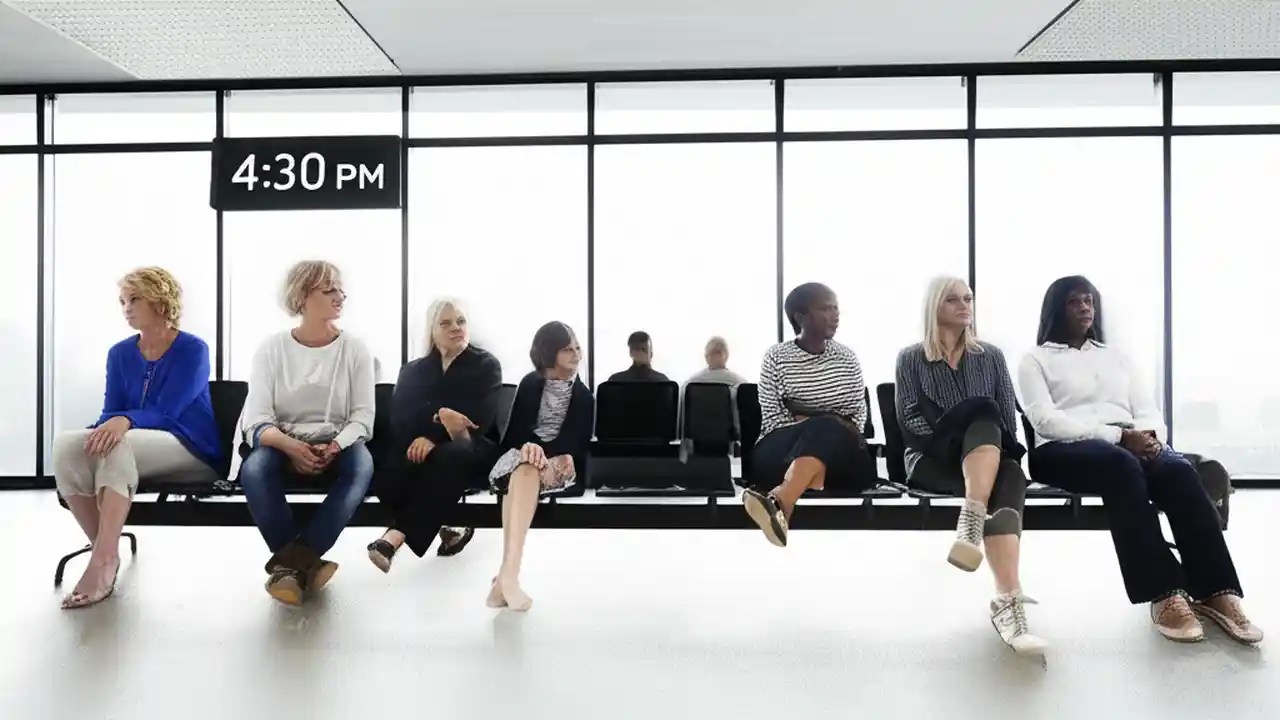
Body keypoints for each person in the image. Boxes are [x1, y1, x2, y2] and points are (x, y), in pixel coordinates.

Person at [1018, 276, 1261, 644]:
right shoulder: (1035, 359)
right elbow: (1045, 420)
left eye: (1089, 301)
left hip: (1129, 444)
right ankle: (1164, 593)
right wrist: (1118, 437)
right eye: (1074, 302)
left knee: (1178, 470)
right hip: (1061, 449)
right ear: (1056, 309)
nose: (1085, 308)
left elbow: (1147, 410)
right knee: (1120, 465)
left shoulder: (1117, 357)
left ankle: (1216, 590)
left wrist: (1149, 439)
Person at [53, 267, 222, 609]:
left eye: (134, 299)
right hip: (133, 448)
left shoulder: (193, 349)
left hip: (190, 448)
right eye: (122, 302)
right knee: (67, 445)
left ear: (160, 301)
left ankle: (101, 563)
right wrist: (97, 432)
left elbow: (170, 410)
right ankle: (106, 551)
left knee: (118, 445)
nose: (126, 308)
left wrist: (124, 421)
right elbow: (111, 409)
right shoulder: (119, 353)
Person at [894, 275, 1045, 655]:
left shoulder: (990, 356)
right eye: (953, 300)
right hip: (933, 458)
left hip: (989, 458)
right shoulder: (911, 358)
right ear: (935, 307)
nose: (964, 305)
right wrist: (958, 434)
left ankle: (1007, 601)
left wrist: (993, 446)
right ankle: (975, 516)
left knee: (1008, 470)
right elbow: (909, 419)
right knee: (983, 411)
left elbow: (1007, 422)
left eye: (968, 299)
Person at [239, 260, 375, 606]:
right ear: (301, 297)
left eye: (340, 289)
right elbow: (256, 419)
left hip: (337, 443)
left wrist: (335, 445)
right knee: (254, 469)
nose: (340, 296)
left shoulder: (355, 349)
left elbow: (362, 418)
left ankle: (292, 565)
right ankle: (304, 564)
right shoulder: (272, 349)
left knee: (361, 466)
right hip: (281, 441)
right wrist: (291, 447)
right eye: (329, 290)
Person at [367, 298, 502, 572]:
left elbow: (479, 420)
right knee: (388, 474)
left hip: (471, 448)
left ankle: (394, 537)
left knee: (453, 455)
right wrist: (438, 421)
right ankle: (452, 526)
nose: (456, 328)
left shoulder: (485, 364)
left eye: (461, 321)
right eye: (446, 323)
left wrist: (432, 432)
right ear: (432, 329)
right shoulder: (413, 370)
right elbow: (401, 418)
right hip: (419, 448)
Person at [741, 283, 877, 547]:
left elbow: (856, 420)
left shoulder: (847, 358)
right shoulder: (776, 357)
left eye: (836, 307)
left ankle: (781, 501)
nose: (835, 315)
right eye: (826, 308)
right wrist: (829, 421)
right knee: (828, 427)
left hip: (845, 459)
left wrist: (806, 413)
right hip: (780, 451)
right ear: (800, 317)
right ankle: (801, 485)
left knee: (830, 428)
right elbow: (774, 418)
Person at [484, 322, 594, 610]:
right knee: (526, 468)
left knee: (529, 470)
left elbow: (575, 448)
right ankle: (509, 578)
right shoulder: (530, 384)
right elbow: (514, 437)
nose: (576, 354)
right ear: (548, 353)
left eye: (577, 347)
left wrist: (545, 454)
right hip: (518, 459)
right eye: (567, 349)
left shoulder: (584, 397)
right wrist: (529, 448)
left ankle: (505, 579)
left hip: (559, 465)